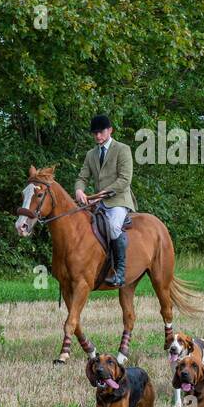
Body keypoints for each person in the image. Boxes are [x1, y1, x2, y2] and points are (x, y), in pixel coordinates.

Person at [75, 114, 135, 286]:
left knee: (114, 226)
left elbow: (125, 179)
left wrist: (104, 192)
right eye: (94, 133)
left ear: (110, 130)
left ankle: (120, 272)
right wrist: (79, 190)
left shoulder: (122, 149)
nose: (97, 136)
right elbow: (82, 177)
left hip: (118, 200)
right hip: (97, 202)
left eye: (100, 132)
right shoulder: (90, 154)